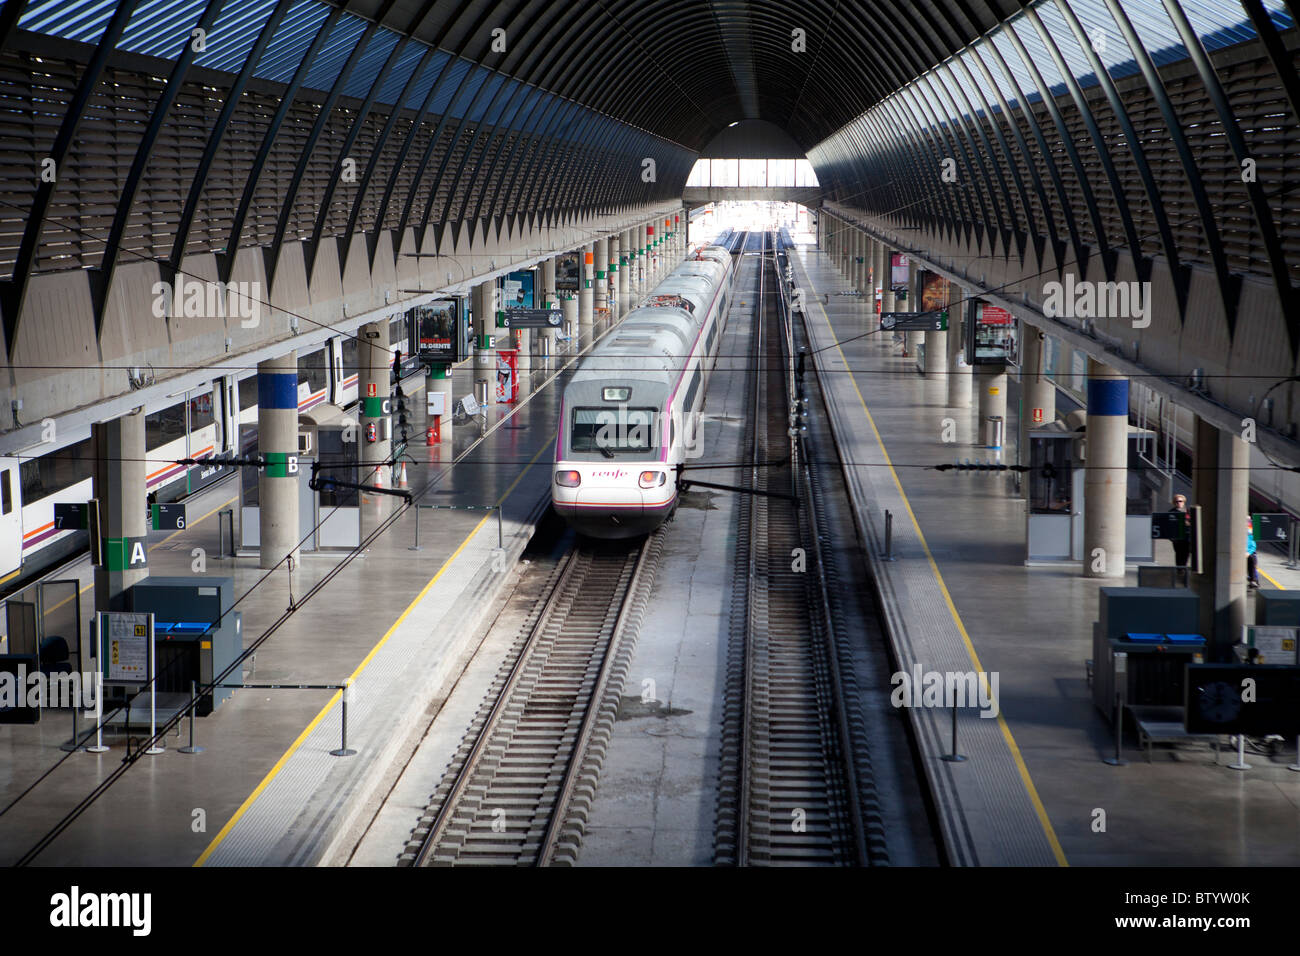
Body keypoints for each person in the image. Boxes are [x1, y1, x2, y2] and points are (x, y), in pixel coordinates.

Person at [1171, 494, 1192, 567]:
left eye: (1180, 501)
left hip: (1187, 537)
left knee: (1186, 554)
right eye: (1176, 502)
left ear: (1184, 502)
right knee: (1179, 554)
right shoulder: (1172, 512)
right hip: (1178, 538)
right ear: (1174, 503)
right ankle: (1180, 569)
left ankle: (1184, 568)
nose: (1179, 503)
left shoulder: (1188, 511)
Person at [1246, 515, 1260, 589]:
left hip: (1248, 552)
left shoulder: (1250, 532)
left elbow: (1253, 546)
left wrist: (1248, 552)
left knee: (1252, 558)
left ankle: (1253, 580)